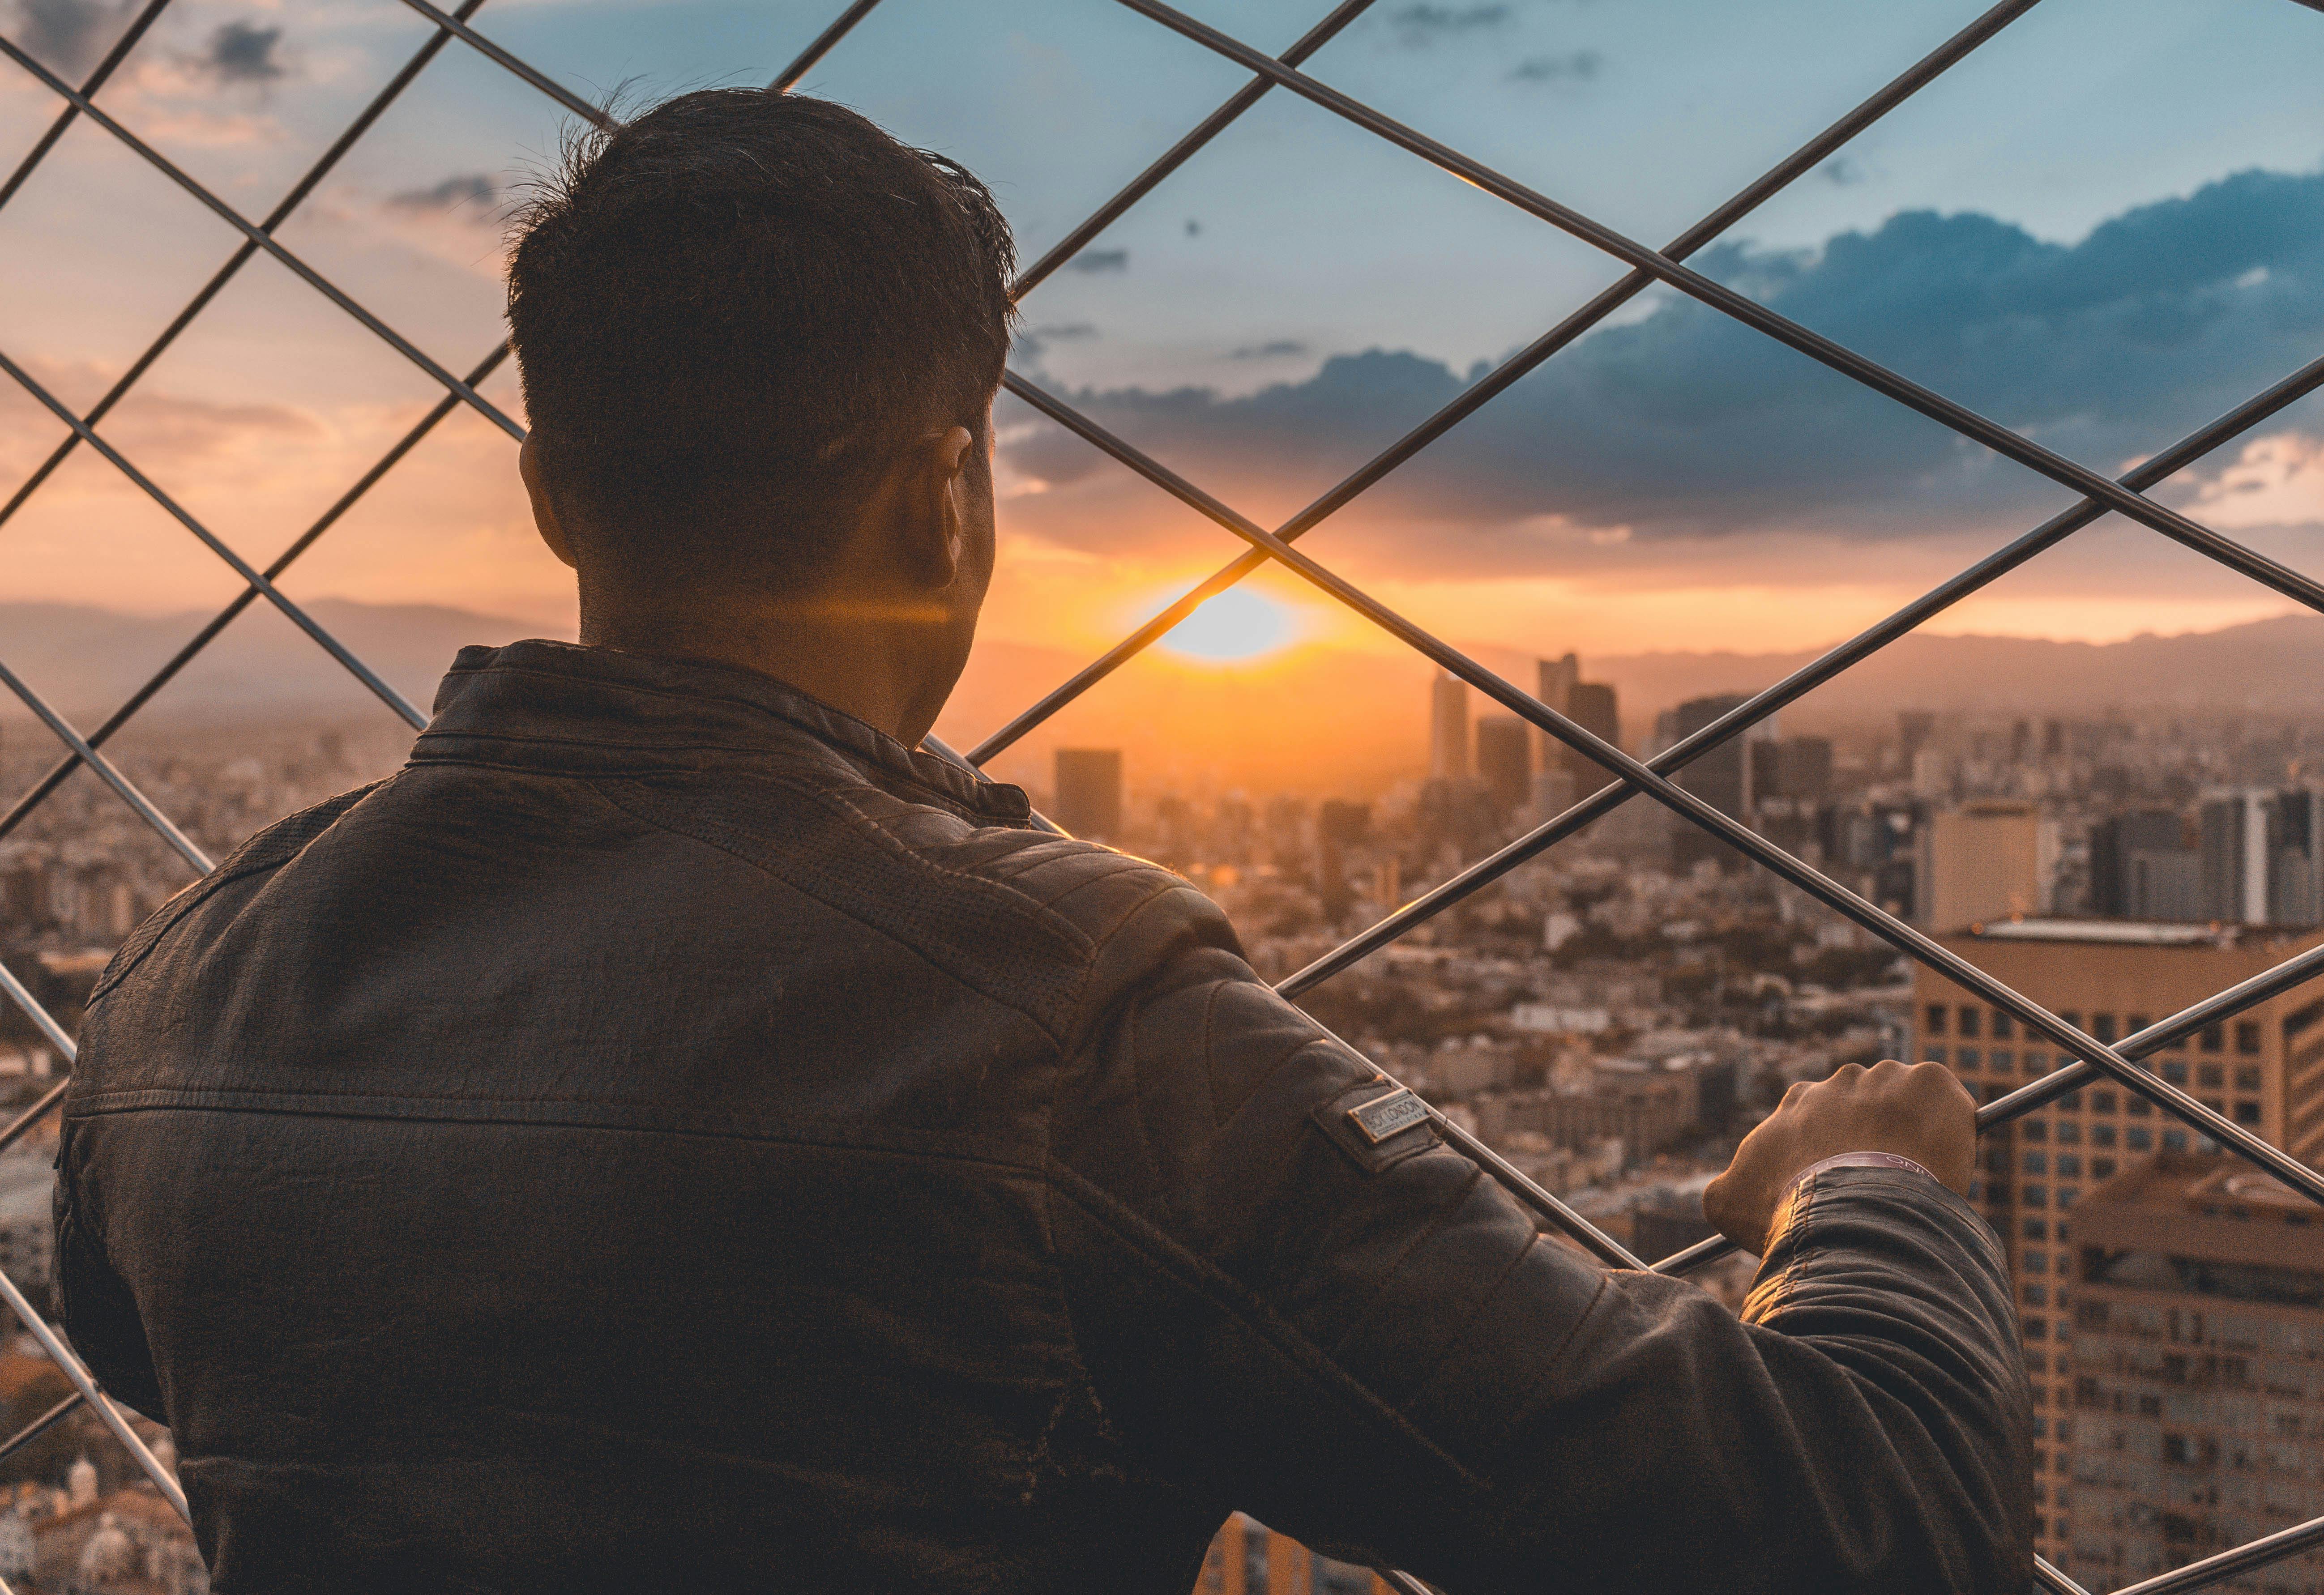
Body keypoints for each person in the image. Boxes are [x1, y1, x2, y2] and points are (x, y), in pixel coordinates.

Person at [55, 89, 2028, 1594]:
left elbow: (158, 1353)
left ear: (554, 490)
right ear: (945, 498)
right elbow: (1849, 1524)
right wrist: (1869, 1197)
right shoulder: (1057, 1018)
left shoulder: (182, 983)